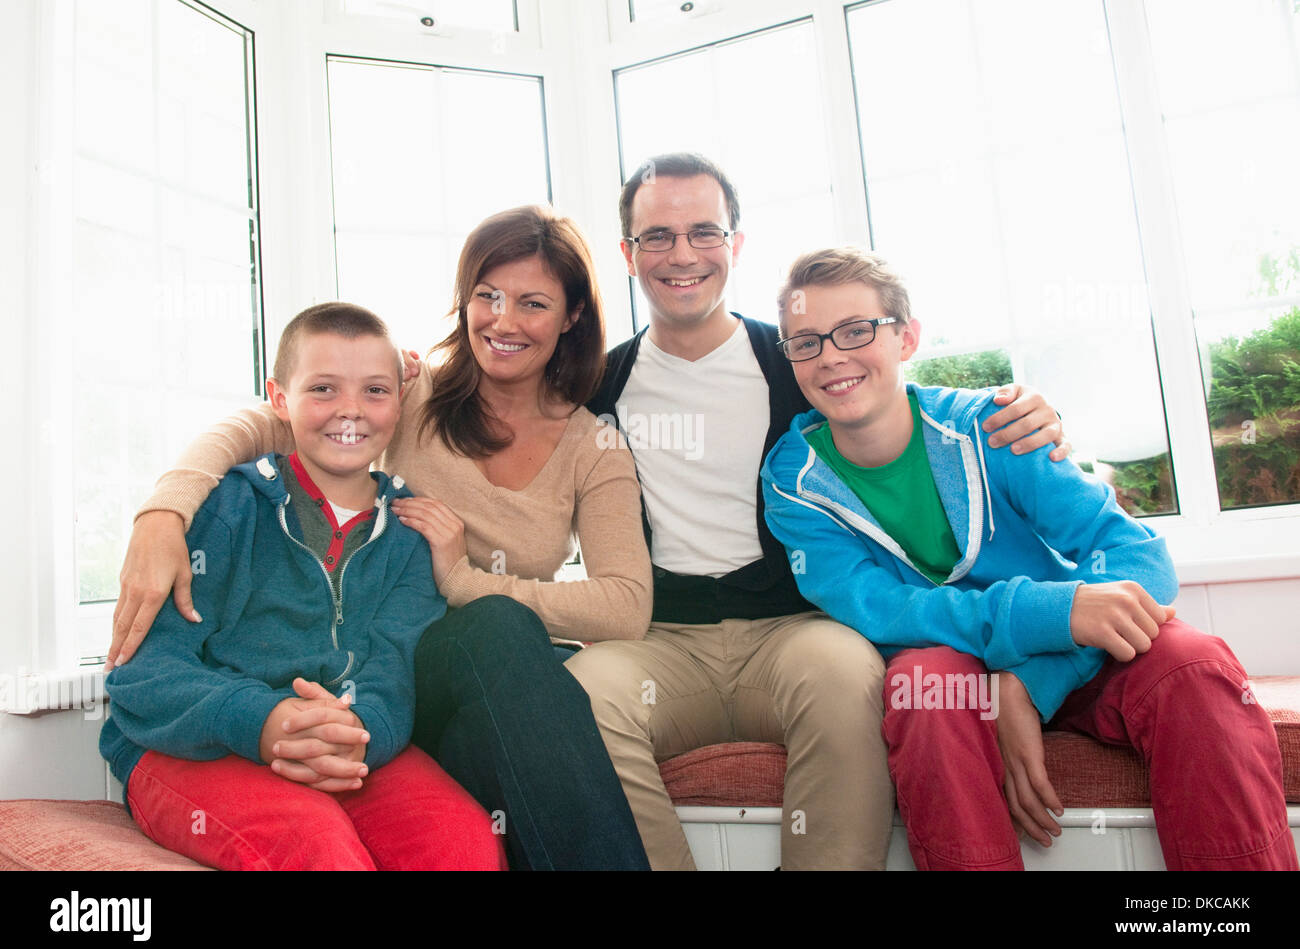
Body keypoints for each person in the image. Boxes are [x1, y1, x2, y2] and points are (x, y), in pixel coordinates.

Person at [107, 206, 652, 871]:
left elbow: (626, 601)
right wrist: (163, 510)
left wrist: (463, 583)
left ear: (571, 316)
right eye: (487, 295)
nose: (504, 320)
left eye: (533, 302)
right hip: (375, 678)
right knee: (497, 643)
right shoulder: (411, 394)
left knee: (480, 782)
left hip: (426, 682)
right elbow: (274, 419)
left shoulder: (588, 445)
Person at [566, 152, 1071, 869]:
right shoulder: (598, 386)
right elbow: (503, 423)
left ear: (735, 246)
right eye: (658, 236)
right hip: (659, 642)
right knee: (580, 693)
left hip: (794, 632)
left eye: (704, 232)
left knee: (848, 672)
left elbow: (890, 400)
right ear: (628, 253)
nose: (683, 254)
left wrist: (1025, 409)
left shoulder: (800, 359)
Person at [761, 246, 1298, 870]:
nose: (831, 356)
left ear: (906, 339)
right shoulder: (792, 485)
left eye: (857, 330)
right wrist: (1041, 615)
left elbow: (1134, 554)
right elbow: (881, 611)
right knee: (922, 685)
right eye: (805, 342)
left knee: (1192, 663)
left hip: (1078, 651)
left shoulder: (997, 426)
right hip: (961, 664)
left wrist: (1029, 682)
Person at [100, 303, 506, 870]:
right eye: (323, 389)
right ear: (279, 398)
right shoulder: (225, 508)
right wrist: (263, 722)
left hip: (348, 742)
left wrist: (360, 729)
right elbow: (143, 675)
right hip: (196, 742)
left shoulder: (412, 534)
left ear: (399, 401)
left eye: (374, 391)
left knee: (463, 846)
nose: (350, 411)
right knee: (312, 844)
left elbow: (392, 672)